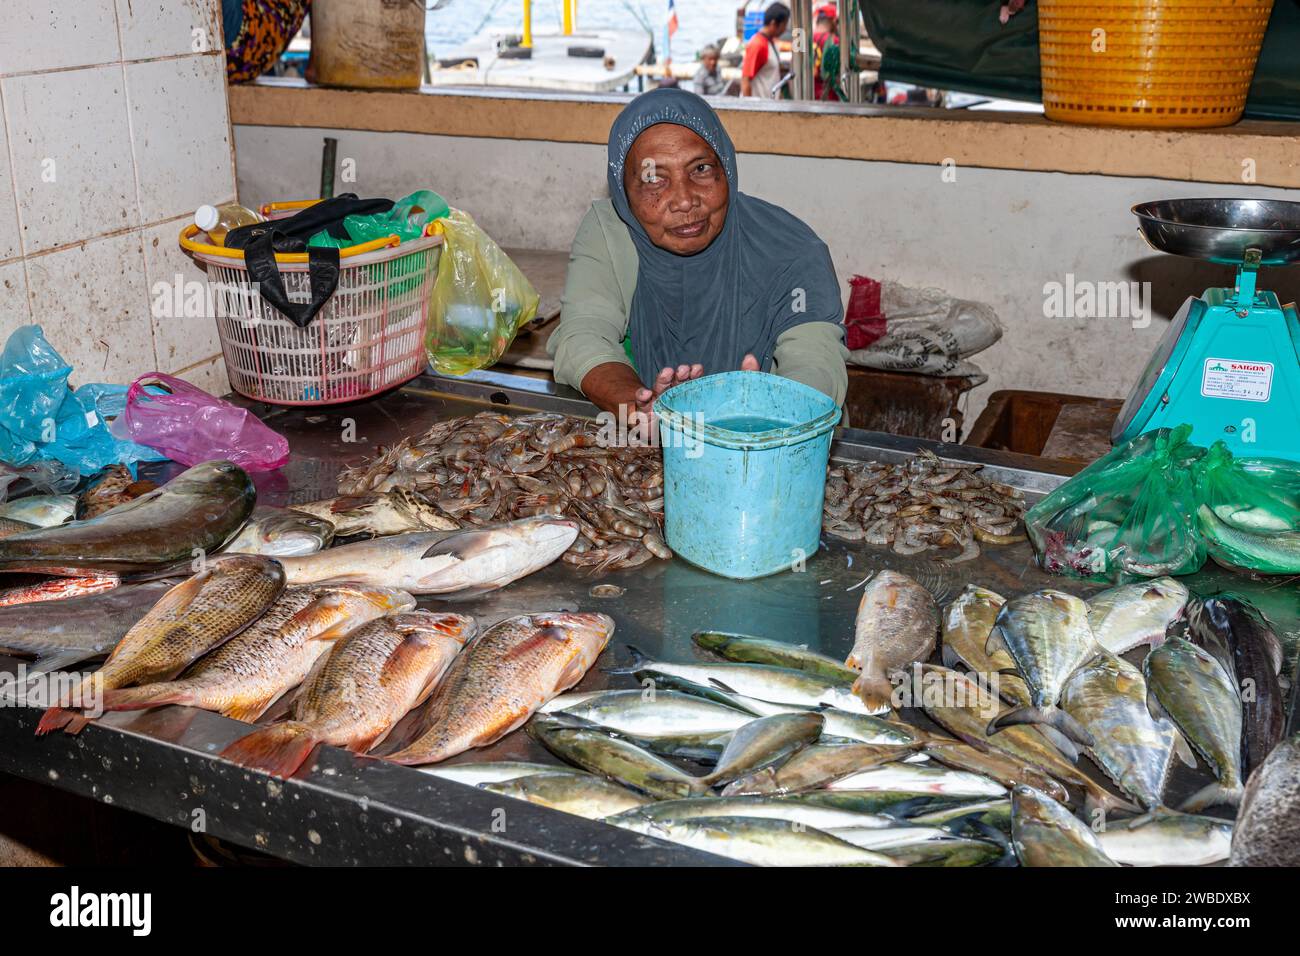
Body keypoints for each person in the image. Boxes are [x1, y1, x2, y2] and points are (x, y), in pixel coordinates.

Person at [548, 88, 848, 426]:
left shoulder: (791, 250)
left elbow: (817, 363)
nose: (684, 200)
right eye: (653, 179)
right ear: (623, 193)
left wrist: (756, 414)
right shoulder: (612, 232)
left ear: (727, 168)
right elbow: (583, 336)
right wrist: (644, 407)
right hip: (656, 442)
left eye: (701, 168)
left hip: (784, 448)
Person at [740, 3, 788, 99]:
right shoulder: (758, 45)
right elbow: (745, 80)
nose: (785, 29)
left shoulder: (771, 42)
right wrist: (749, 108)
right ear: (773, 23)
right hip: (759, 106)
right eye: (784, 25)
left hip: (769, 103)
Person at [811, 5, 838, 101]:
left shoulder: (803, 38)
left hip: (808, 94)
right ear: (833, 21)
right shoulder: (834, 41)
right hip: (828, 97)